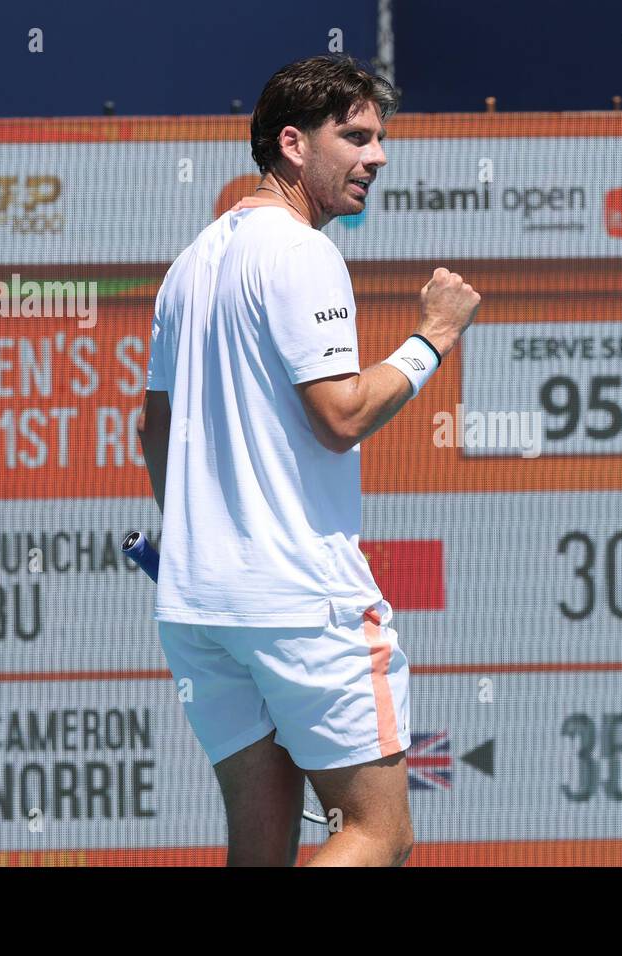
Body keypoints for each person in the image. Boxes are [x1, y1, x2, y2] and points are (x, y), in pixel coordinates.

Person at [136, 53, 481, 866]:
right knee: (376, 832)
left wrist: (205, 538)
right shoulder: (302, 252)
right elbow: (340, 416)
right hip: (299, 603)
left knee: (262, 854)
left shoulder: (191, 264)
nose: (378, 156)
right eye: (355, 136)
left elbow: (153, 432)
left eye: (380, 137)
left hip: (201, 609)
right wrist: (434, 335)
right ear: (293, 143)